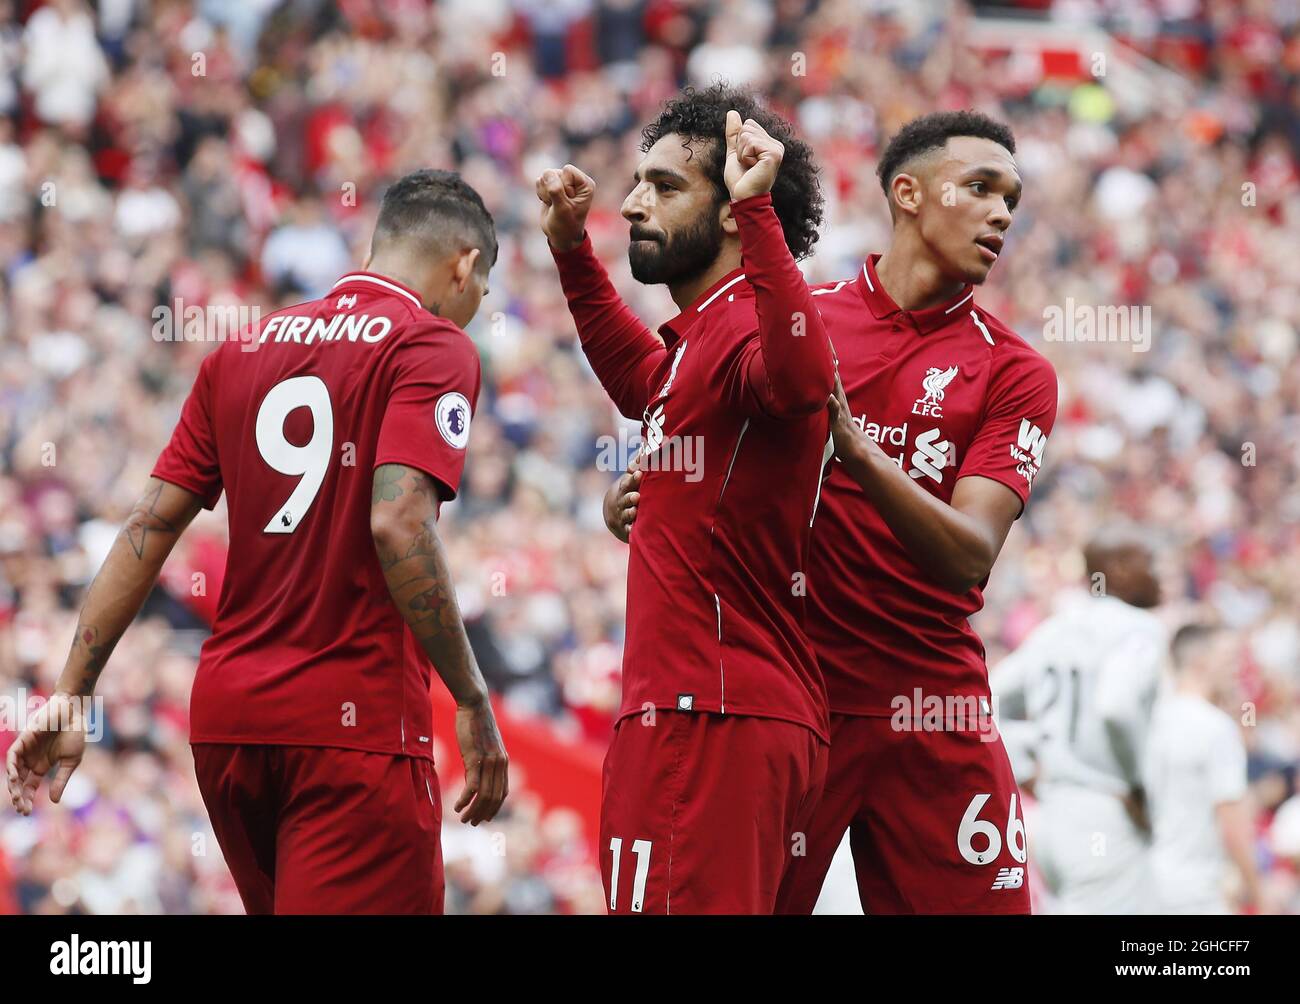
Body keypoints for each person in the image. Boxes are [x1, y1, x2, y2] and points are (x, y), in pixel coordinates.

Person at [6, 169, 509, 915]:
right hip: (352, 731)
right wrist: (469, 695)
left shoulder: (243, 349)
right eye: (482, 289)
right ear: (463, 264)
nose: (477, 308)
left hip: (230, 728)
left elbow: (149, 524)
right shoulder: (430, 345)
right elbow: (397, 520)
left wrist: (73, 692)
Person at [607, 110, 1057, 913]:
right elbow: (675, 407)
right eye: (981, 188)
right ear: (908, 193)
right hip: (799, 693)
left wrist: (857, 452)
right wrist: (646, 486)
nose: (1002, 214)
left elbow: (969, 554)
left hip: (933, 699)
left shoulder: (1015, 371)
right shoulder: (797, 317)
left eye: (1012, 199)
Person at [537, 84, 836, 913]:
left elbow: (806, 379)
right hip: (725, 711)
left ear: (737, 208)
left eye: (665, 187)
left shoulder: (744, 324)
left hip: (706, 714)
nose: (632, 202)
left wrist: (763, 214)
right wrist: (571, 254)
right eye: (638, 181)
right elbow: (645, 383)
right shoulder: (705, 335)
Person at [991, 528, 1167, 913]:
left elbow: (988, 696)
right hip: (1105, 810)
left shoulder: (1055, 628)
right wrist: (1137, 783)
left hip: (1053, 815)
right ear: (1117, 568)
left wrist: (1024, 766)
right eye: (1149, 562)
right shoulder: (1137, 626)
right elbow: (1116, 706)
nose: (1159, 573)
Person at [1145, 624, 1262, 914]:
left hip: (1148, 884)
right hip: (1197, 892)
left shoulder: (1150, 720)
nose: (1235, 671)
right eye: (1228, 660)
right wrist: (1259, 892)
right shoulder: (1216, 728)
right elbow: (1232, 825)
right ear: (1201, 662)